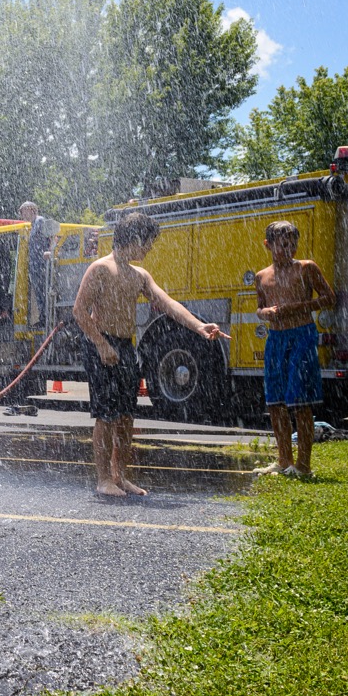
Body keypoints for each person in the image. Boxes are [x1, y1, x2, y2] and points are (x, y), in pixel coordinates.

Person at [72, 212, 226, 497]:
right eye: (148, 244)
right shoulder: (101, 268)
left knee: (127, 416)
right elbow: (79, 311)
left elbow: (167, 303)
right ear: (135, 239)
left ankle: (121, 476)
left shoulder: (139, 275)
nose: (149, 250)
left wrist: (198, 326)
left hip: (125, 346)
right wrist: (102, 345)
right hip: (100, 344)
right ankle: (103, 478)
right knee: (106, 415)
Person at [253, 220, 337, 480]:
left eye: (293, 244)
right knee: (276, 402)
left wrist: (298, 307)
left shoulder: (306, 268)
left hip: (302, 336)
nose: (289, 249)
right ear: (268, 245)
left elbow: (330, 299)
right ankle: (283, 460)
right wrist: (265, 313)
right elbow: (259, 308)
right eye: (282, 244)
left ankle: (304, 465)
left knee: (301, 402)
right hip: (276, 339)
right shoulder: (261, 276)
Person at [19, 201, 60, 327]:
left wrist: (50, 251)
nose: (22, 214)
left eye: (23, 211)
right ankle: (43, 317)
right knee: (40, 292)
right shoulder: (32, 225)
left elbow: (54, 237)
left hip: (42, 265)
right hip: (36, 266)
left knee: (44, 291)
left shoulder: (40, 221)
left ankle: (48, 317)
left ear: (31, 209)